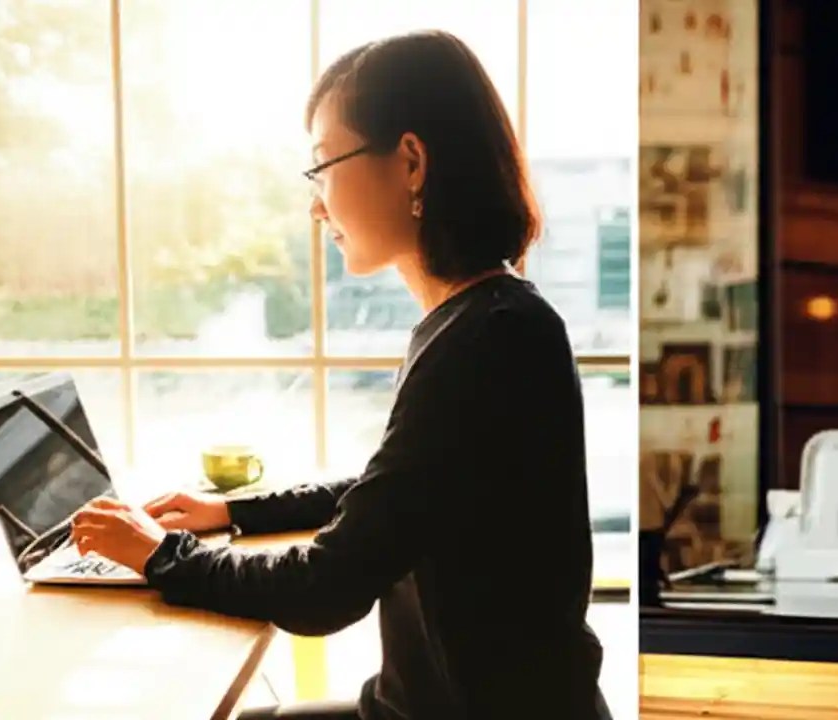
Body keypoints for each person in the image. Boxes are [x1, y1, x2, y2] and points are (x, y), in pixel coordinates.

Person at [68, 31, 608, 720]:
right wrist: (235, 513)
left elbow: (328, 588)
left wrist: (162, 556)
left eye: (325, 166)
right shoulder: (484, 320)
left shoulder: (489, 337)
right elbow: (394, 495)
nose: (316, 204)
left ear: (411, 162)